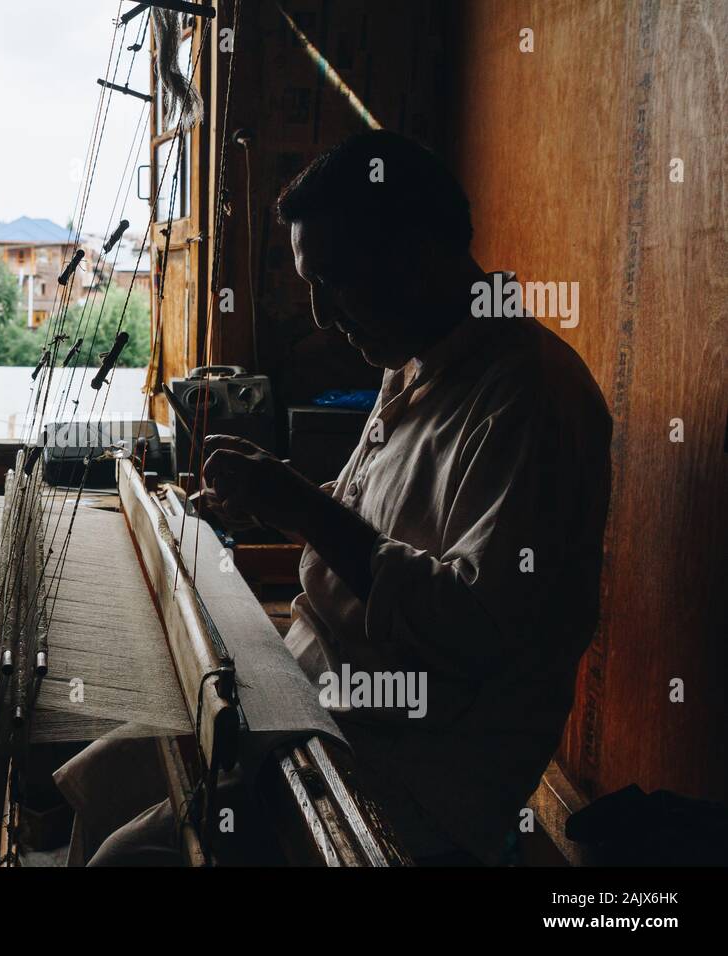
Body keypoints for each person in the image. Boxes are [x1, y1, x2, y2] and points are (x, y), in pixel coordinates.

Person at [58, 130, 612, 865]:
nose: (322, 316)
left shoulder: (530, 399)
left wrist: (302, 508)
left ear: (416, 256)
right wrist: (275, 503)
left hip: (412, 768)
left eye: (336, 282)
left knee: (127, 859)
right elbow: (375, 523)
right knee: (104, 777)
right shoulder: (417, 357)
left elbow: (474, 631)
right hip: (314, 687)